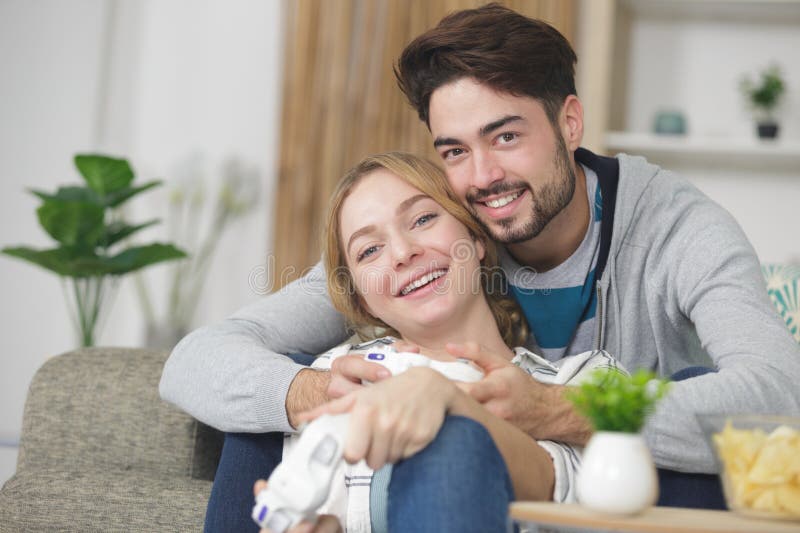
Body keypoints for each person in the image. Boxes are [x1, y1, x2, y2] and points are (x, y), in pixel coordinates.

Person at [160, 1, 800, 517]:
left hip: (613, 485)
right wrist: (316, 394)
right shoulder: (444, 230)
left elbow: (781, 399)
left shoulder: (678, 229)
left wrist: (557, 410)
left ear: (570, 123)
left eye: (506, 136)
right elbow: (201, 359)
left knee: (682, 398)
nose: (484, 175)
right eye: (455, 150)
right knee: (278, 389)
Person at [246, 152, 621, 532]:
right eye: (369, 250)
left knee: (453, 441)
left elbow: (560, 488)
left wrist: (447, 399)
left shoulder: (588, 380)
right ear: (360, 298)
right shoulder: (332, 383)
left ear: (475, 237)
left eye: (423, 219)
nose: (403, 253)